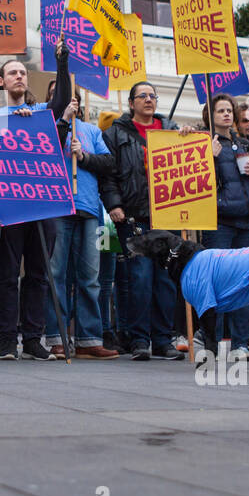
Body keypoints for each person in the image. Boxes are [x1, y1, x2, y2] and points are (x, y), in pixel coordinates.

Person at [0, 40, 71, 360]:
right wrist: (15, 122)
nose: (19, 76)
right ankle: (5, 339)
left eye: (22, 72)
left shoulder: (42, 113)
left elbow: (60, 102)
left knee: (39, 275)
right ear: (1, 81)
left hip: (43, 202)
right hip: (10, 205)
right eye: (12, 72)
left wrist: (62, 63)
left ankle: (32, 338)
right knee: (6, 274)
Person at [99, 80, 184, 361]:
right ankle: (139, 339)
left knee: (166, 280)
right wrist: (113, 204)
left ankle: (163, 339)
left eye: (152, 95)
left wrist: (190, 138)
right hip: (134, 216)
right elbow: (108, 174)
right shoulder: (115, 134)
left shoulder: (173, 131)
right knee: (139, 278)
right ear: (132, 102)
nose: (149, 100)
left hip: (168, 215)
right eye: (142, 96)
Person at [46, 91, 118, 358]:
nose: (65, 98)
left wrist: (84, 156)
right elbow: (46, 151)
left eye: (69, 95)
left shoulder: (91, 130)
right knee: (56, 276)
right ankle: (57, 337)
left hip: (89, 209)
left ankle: (89, 339)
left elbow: (109, 163)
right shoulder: (49, 126)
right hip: (57, 206)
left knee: (90, 277)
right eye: (56, 94)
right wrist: (63, 122)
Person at [200, 93, 249, 359]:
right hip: (220, 220)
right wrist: (209, 158)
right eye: (220, 111)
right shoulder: (204, 141)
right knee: (215, 282)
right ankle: (213, 343)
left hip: (247, 220)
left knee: (243, 284)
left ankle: (240, 343)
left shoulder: (243, 143)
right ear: (210, 116)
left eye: (229, 110)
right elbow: (197, 181)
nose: (226, 115)